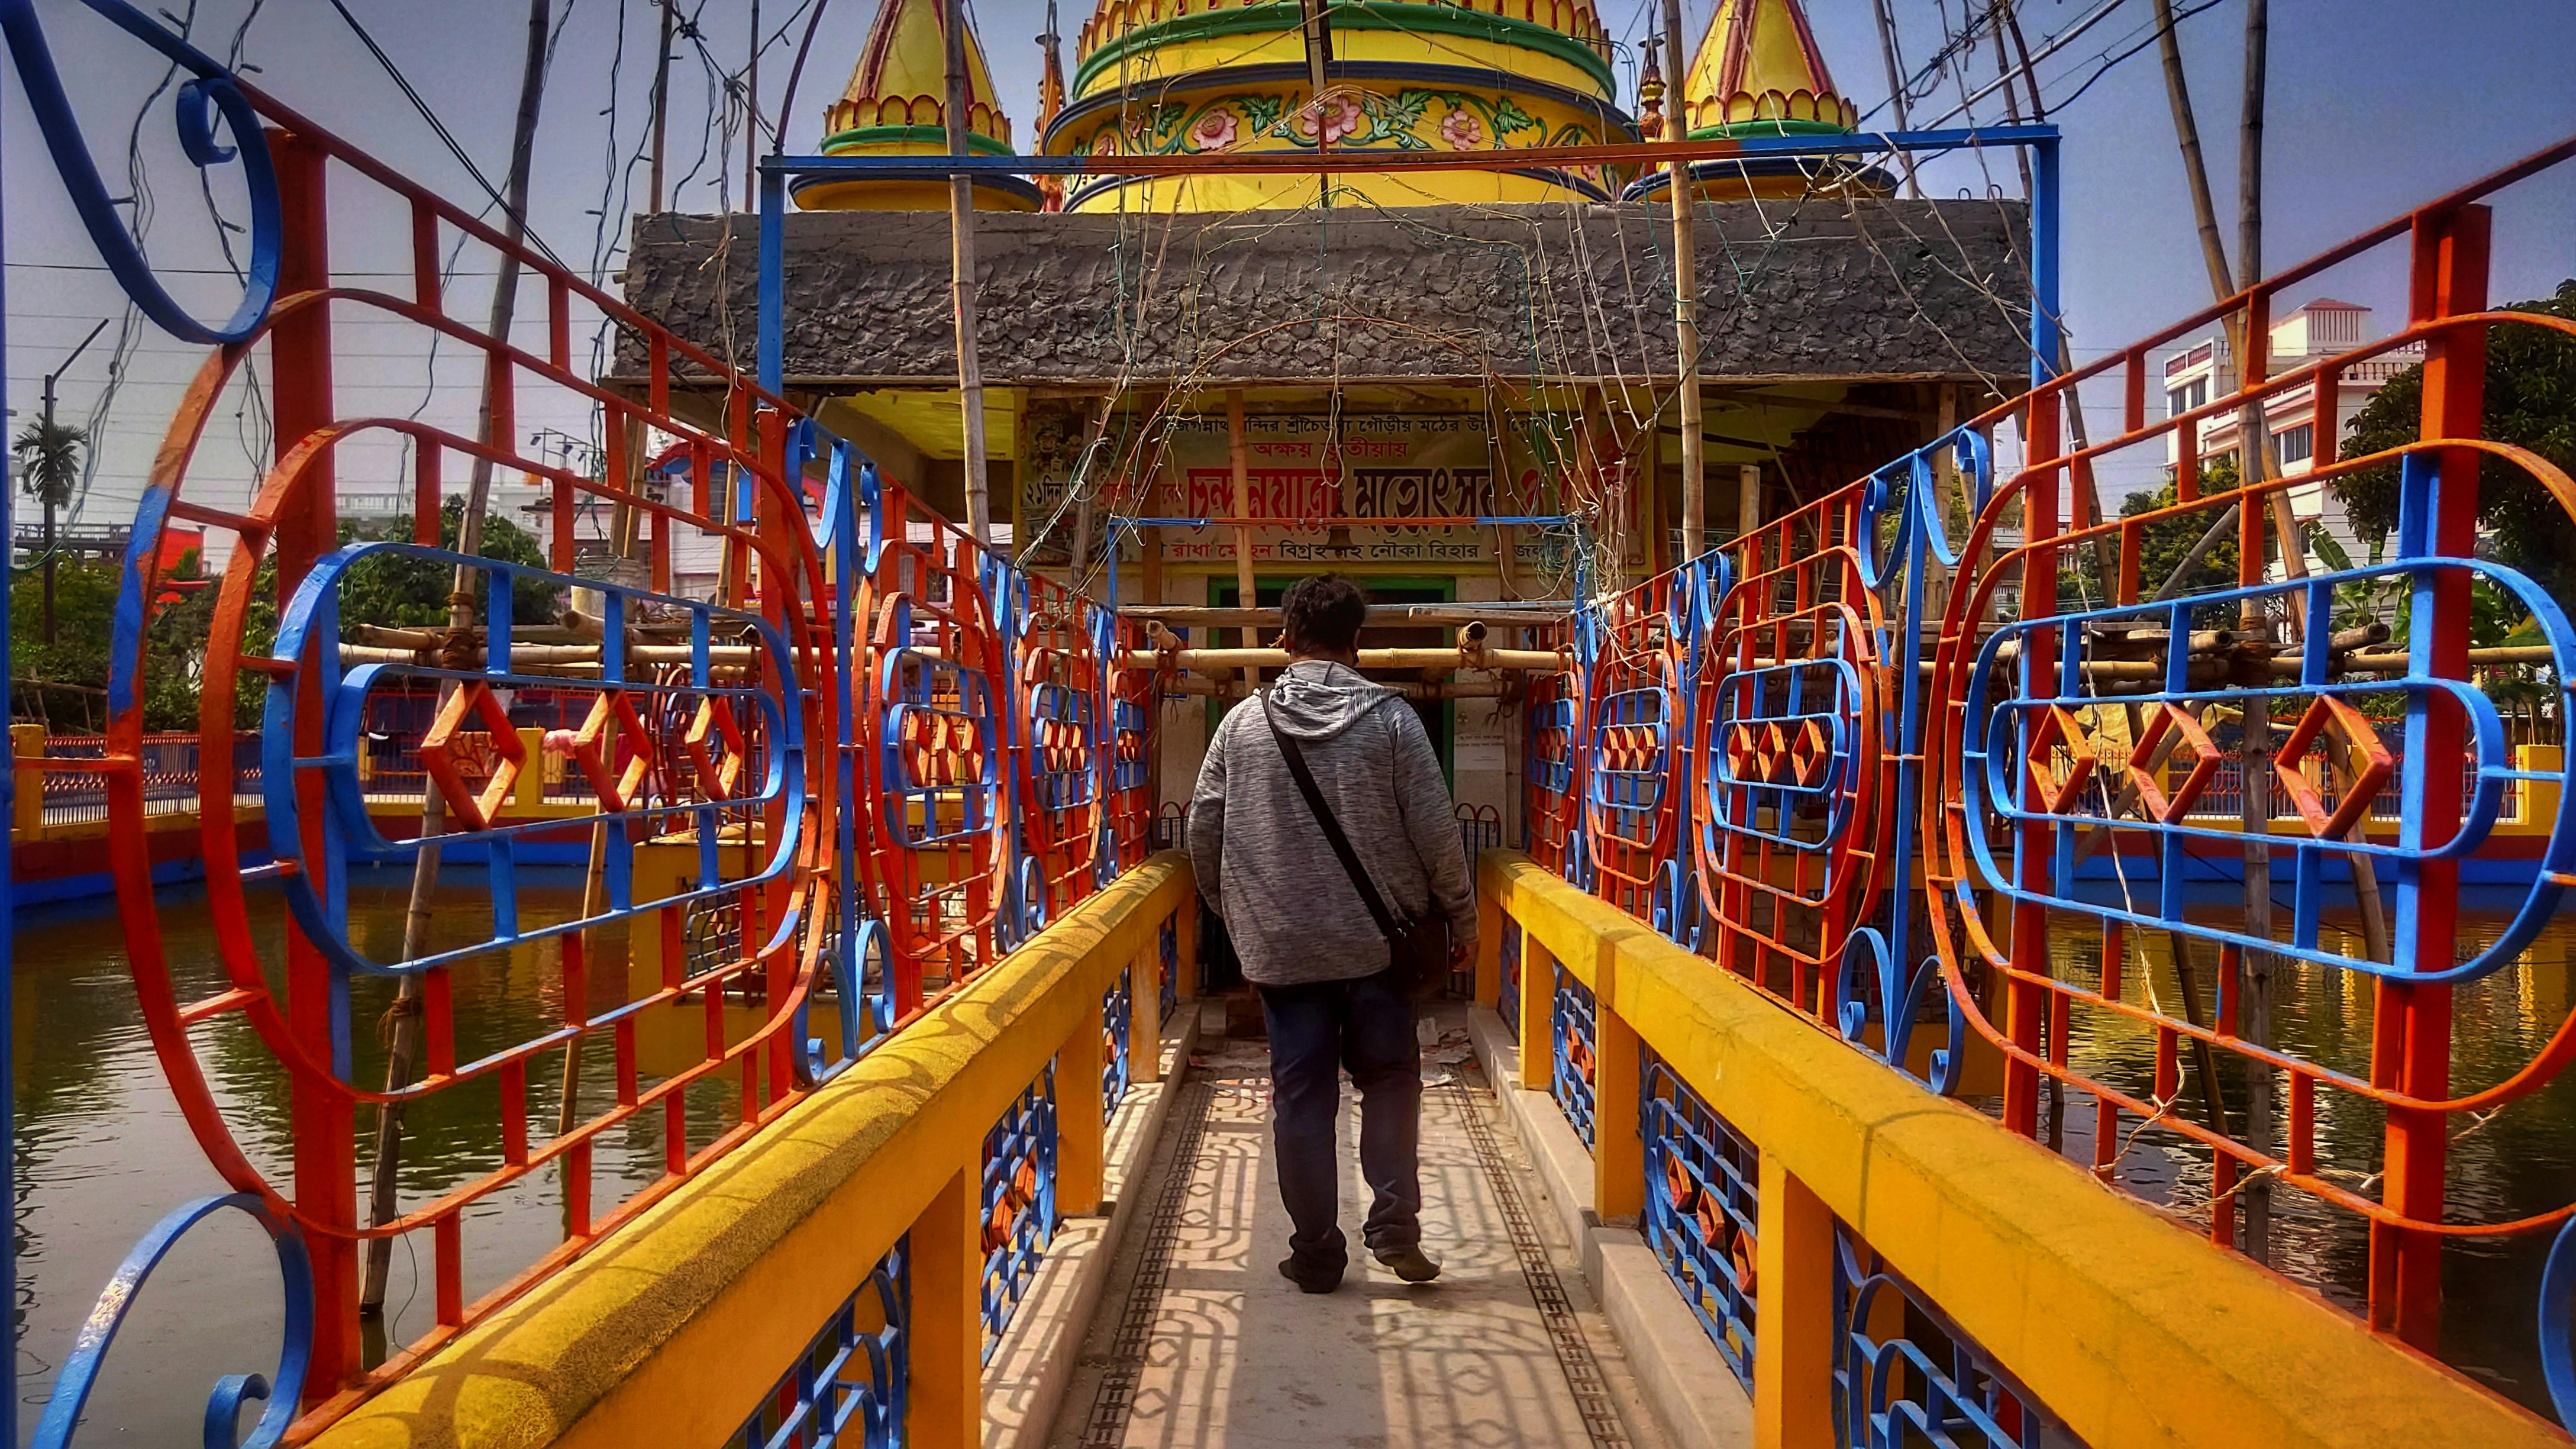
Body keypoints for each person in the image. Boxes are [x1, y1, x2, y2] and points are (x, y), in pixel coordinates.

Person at [1186, 575, 1477, 1293]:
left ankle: (1316, 1252)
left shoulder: (1242, 724)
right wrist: (1461, 915)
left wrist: (1236, 913)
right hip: (1380, 946)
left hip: (1284, 948)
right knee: (1389, 1080)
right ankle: (1394, 1227)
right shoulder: (1393, 721)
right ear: (1358, 642)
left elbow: (1202, 828)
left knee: (1302, 1096)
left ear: (1285, 638)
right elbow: (1437, 834)